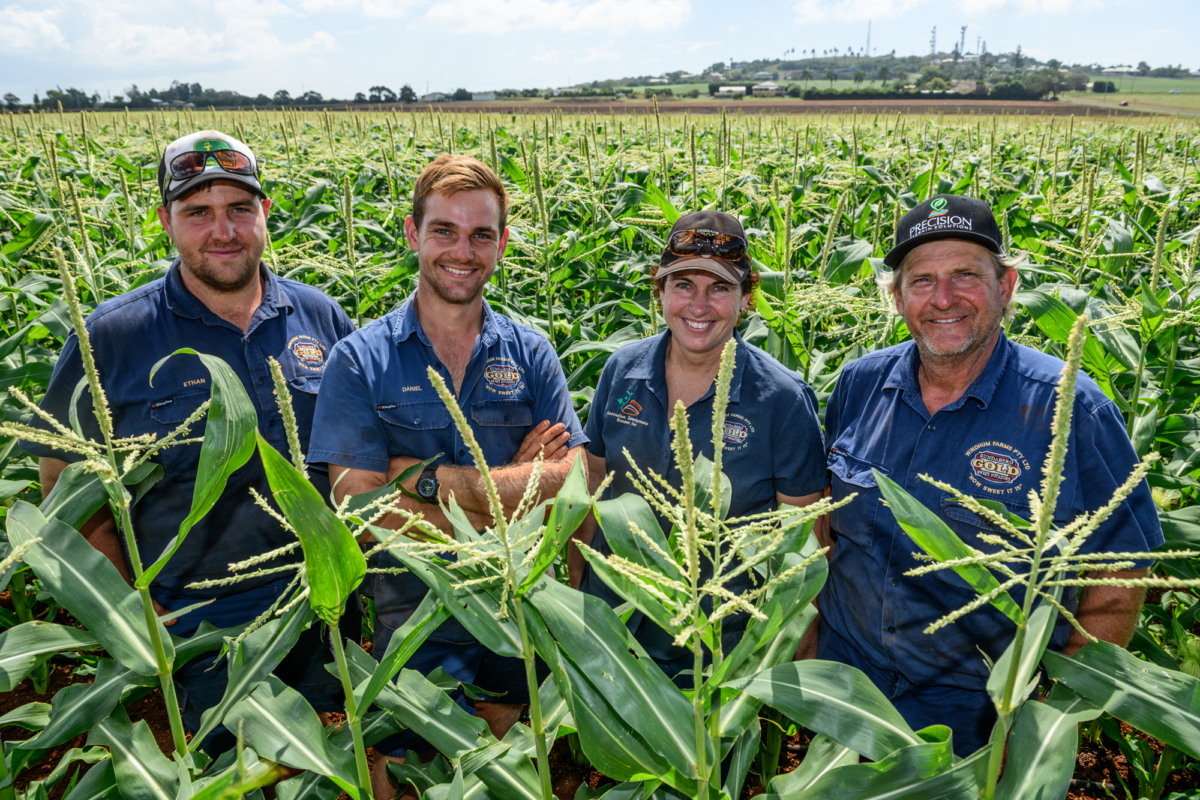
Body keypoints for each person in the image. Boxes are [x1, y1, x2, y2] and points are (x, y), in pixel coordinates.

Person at [18, 130, 358, 754]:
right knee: (233, 774)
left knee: (332, 766)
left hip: (323, 605)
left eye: (239, 209)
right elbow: (66, 492)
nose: (222, 231)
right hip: (201, 631)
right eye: (198, 212)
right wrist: (137, 618)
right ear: (165, 222)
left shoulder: (321, 317)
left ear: (265, 214)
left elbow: (359, 455)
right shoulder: (112, 339)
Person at [808, 194, 1164, 757]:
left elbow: (1118, 568)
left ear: (1007, 286)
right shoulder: (859, 384)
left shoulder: (1069, 406)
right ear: (897, 297)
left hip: (976, 718)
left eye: (966, 276)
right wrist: (808, 654)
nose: (943, 299)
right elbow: (822, 526)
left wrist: (1055, 713)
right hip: (848, 691)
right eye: (922, 281)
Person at [306, 154, 587, 800]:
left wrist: (428, 482)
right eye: (445, 232)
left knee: (503, 769)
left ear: (502, 243)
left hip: (516, 614)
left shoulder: (531, 353)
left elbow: (573, 481)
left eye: (481, 234)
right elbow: (363, 516)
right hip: (405, 617)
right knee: (402, 777)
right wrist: (521, 489)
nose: (463, 251)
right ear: (412, 234)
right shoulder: (360, 362)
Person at [569, 209, 828, 683]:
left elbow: (804, 548)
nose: (699, 305)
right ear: (660, 290)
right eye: (683, 284)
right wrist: (578, 604)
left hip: (721, 649)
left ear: (746, 297)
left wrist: (788, 669)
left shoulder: (783, 400)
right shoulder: (620, 372)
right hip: (617, 633)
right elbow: (591, 494)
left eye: (720, 288)